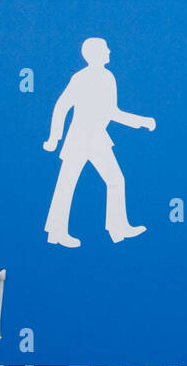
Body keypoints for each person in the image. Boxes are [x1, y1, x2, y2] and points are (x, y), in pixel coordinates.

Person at [43, 37, 155, 247]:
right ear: (96, 53)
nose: (109, 51)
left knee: (115, 180)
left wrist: (141, 122)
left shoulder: (108, 77)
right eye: (105, 48)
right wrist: (54, 138)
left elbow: (112, 112)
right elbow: (61, 106)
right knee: (66, 185)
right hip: (78, 139)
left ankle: (118, 228)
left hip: (97, 139)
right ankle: (57, 233)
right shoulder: (81, 78)